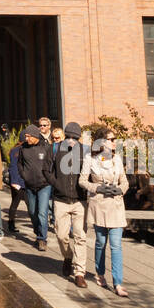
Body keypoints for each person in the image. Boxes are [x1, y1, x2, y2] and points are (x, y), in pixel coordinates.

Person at [81, 131, 130, 297]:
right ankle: (100, 272)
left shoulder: (117, 159)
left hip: (116, 204)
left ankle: (118, 283)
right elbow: (82, 181)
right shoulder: (90, 159)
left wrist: (120, 189)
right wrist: (97, 188)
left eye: (115, 139)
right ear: (102, 142)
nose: (114, 142)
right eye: (111, 139)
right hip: (99, 205)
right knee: (101, 242)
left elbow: (124, 181)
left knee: (116, 245)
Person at [51, 121, 90, 287]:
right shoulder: (55, 150)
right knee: (61, 235)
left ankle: (79, 272)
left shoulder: (86, 152)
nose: (72, 141)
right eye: (69, 137)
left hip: (80, 200)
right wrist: (56, 184)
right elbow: (47, 170)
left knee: (80, 236)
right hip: (61, 199)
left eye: (75, 138)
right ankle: (67, 257)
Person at [13, 123, 55, 249]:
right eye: (26, 136)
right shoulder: (23, 148)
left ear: (35, 136)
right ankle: (38, 231)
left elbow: (52, 164)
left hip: (44, 185)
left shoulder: (46, 147)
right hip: (29, 185)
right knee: (32, 212)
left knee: (42, 212)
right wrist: (24, 176)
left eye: (28, 136)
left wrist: (50, 178)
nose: (26, 139)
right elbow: (19, 164)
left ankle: (42, 239)